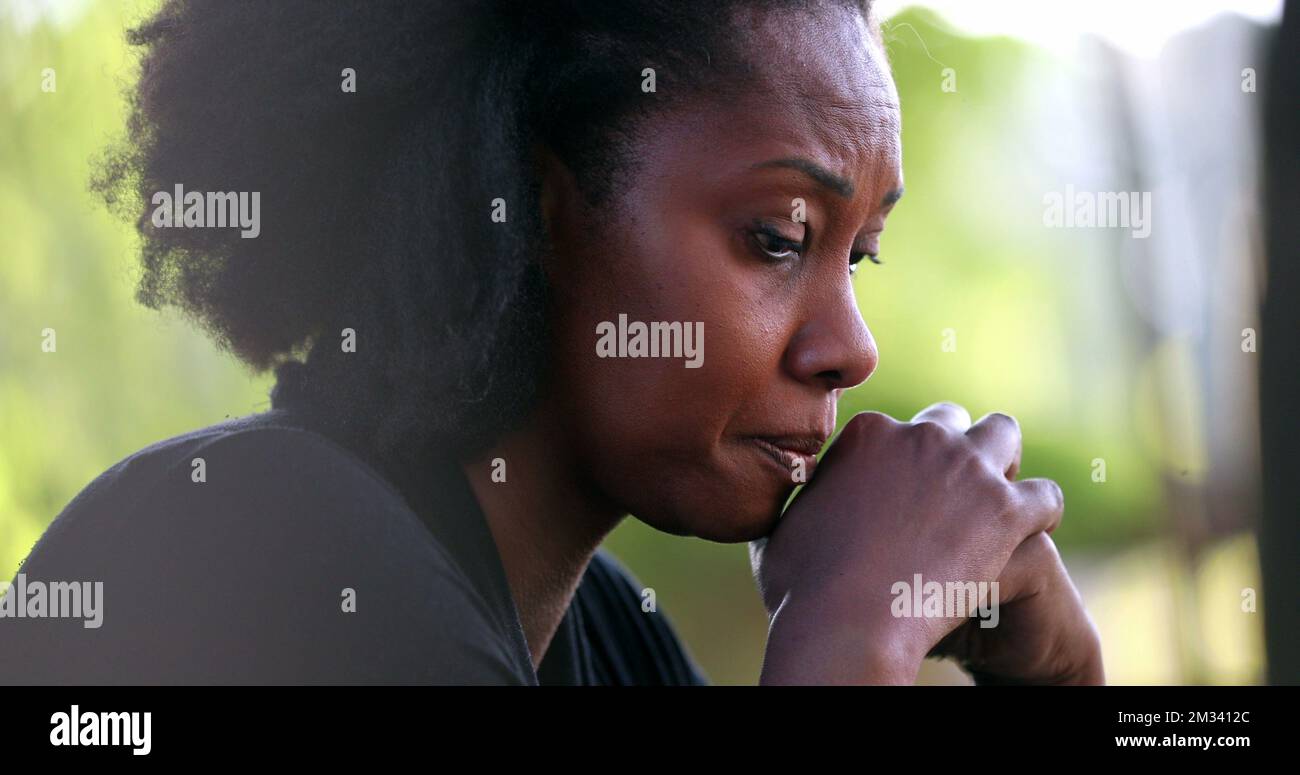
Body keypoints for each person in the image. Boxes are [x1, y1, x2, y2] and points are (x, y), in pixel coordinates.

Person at [0, 0, 1102, 685]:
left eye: (856, 255)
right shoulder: (251, 560)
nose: (850, 348)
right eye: (778, 237)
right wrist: (851, 633)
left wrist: (1065, 674)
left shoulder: (611, 631)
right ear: (529, 206)